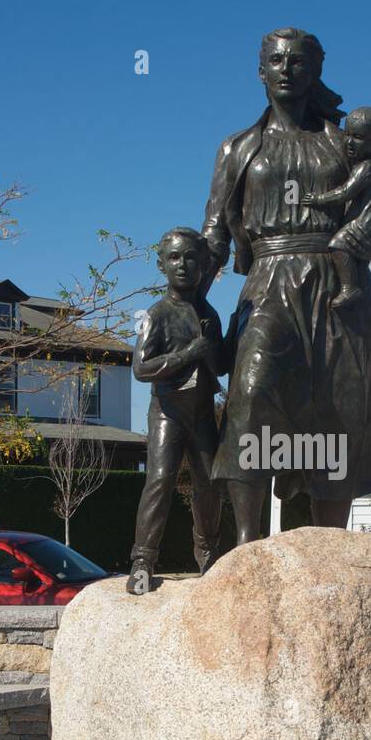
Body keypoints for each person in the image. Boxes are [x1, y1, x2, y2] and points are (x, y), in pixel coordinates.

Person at [201, 27, 371, 546]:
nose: (286, 68)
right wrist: (186, 299)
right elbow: (215, 233)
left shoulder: (344, 142)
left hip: (337, 284)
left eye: (298, 61)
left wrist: (361, 241)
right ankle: (247, 546)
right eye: (276, 60)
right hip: (267, 281)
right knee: (250, 395)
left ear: (316, 70)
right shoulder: (238, 148)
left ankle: (329, 546)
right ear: (260, 70)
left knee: (339, 409)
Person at [126, 228, 225, 595]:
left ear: (202, 265)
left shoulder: (209, 313)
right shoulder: (157, 314)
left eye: (191, 258)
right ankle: (142, 562)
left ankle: (209, 555)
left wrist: (219, 345)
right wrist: (188, 354)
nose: (182, 265)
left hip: (202, 411)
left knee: (210, 483)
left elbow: (220, 363)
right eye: (174, 258)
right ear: (161, 265)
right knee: (160, 481)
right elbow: (140, 368)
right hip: (168, 410)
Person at [302, 105, 371, 309]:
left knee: (339, 242)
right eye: (348, 135)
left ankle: (349, 287)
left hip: (369, 226)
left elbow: (344, 192)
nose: (349, 142)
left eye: (359, 137)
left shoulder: (368, 168)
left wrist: (317, 200)